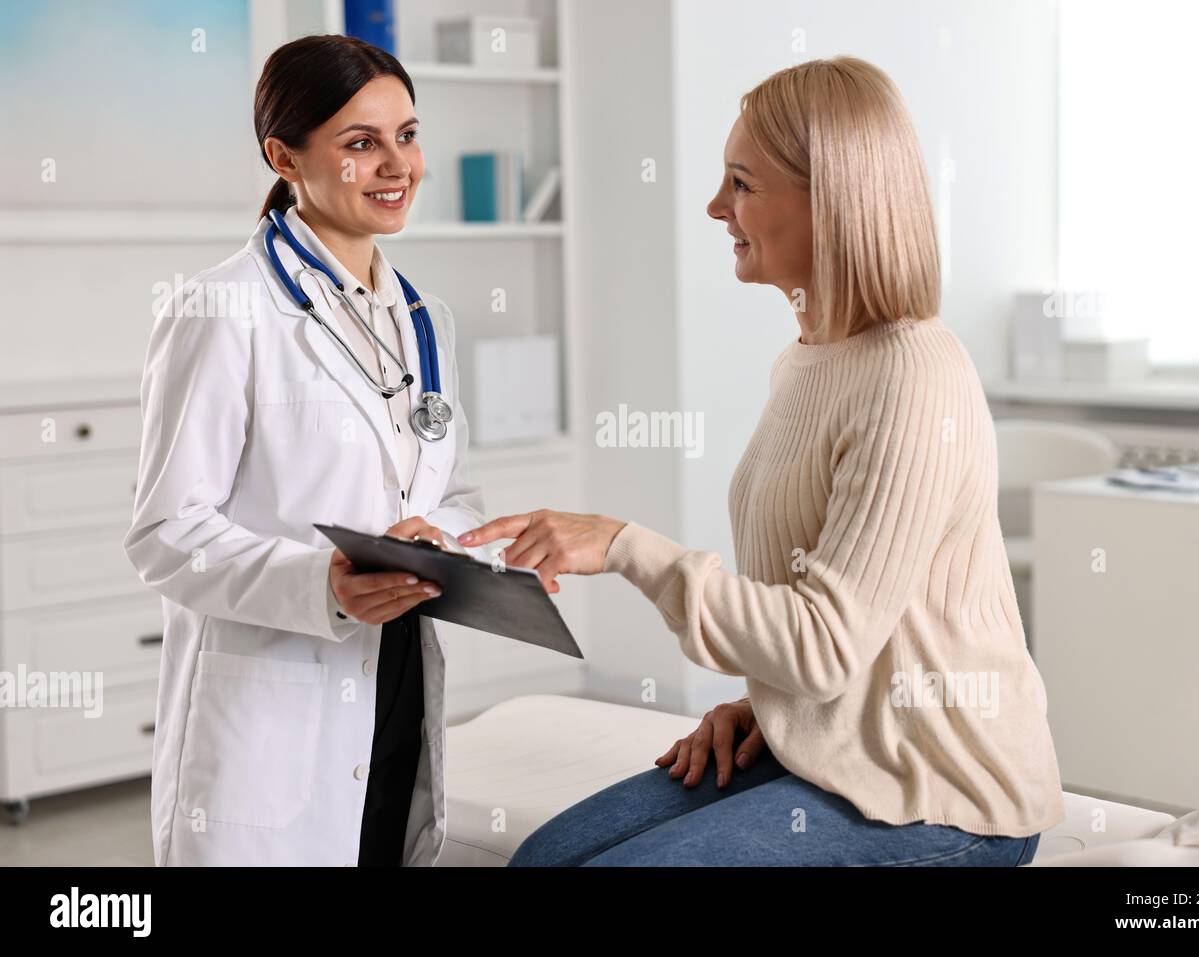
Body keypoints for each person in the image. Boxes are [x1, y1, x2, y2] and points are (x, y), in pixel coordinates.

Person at [458, 57, 1065, 866]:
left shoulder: (913, 375)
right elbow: (848, 616)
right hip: (838, 755)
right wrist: (770, 705)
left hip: (946, 796)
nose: (717, 207)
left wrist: (622, 546)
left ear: (833, 202)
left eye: (741, 183)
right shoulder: (807, 359)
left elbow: (825, 641)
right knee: (543, 857)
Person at [125, 34, 484, 866]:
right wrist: (321, 584)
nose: (398, 165)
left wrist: (450, 540)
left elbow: (450, 489)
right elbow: (166, 533)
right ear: (283, 156)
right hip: (269, 707)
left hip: (395, 675)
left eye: (407, 134)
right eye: (361, 143)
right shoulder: (222, 309)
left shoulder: (425, 321)